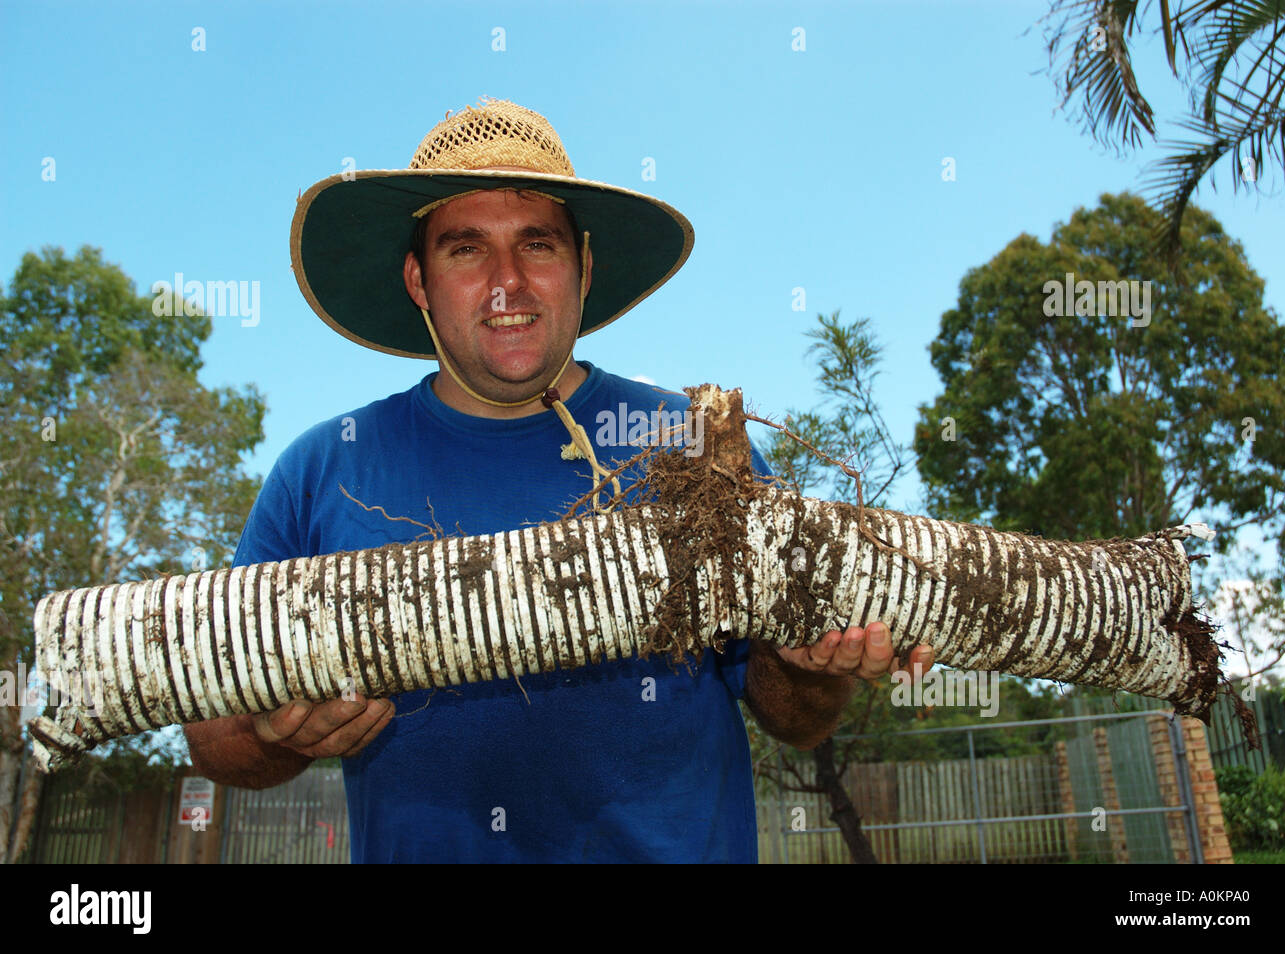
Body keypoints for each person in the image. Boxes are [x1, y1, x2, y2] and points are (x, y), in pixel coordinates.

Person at [184, 99, 932, 862]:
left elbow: (796, 718)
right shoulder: (324, 470)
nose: (508, 282)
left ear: (583, 266)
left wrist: (808, 668)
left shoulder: (691, 445)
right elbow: (214, 741)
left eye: (536, 244)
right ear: (418, 279)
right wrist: (275, 738)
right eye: (466, 249)